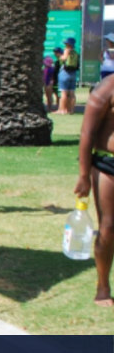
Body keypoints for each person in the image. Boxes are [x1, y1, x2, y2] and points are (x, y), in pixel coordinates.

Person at [73, 72, 114, 307]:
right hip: (108, 166)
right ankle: (103, 287)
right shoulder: (106, 88)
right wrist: (83, 176)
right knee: (108, 228)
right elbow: (87, 133)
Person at [57, 37, 80, 115]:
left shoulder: (66, 50)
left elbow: (64, 59)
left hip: (65, 73)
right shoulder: (75, 52)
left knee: (63, 93)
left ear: (68, 44)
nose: (65, 45)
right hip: (73, 73)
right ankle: (71, 110)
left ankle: (62, 110)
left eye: (66, 43)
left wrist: (60, 56)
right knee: (72, 93)